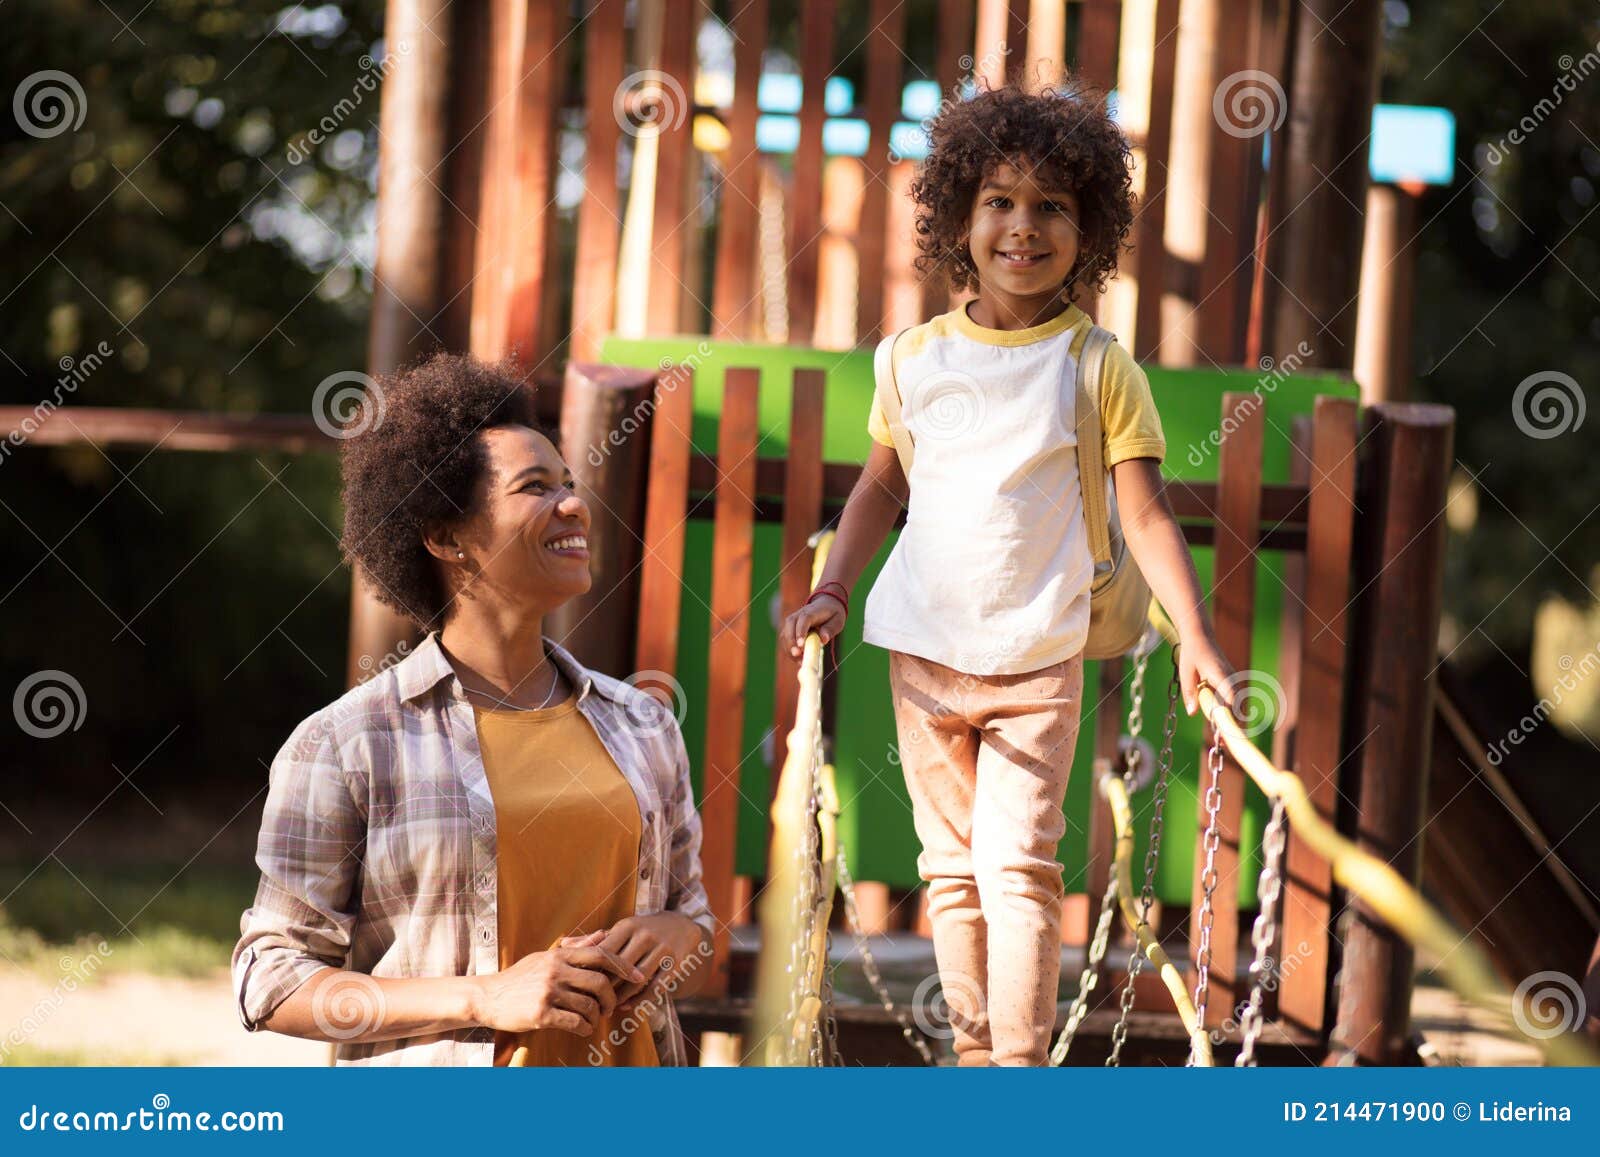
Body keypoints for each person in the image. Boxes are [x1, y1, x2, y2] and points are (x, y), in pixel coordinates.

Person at [780, 82, 1238, 1066]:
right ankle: (977, 1055)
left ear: (1091, 230)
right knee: (947, 870)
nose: (1021, 228)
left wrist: (1195, 635)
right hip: (922, 655)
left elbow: (1145, 511)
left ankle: (1021, 1071)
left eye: (1050, 207)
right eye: (998, 201)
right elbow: (877, 490)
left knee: (1019, 867)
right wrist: (833, 586)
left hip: (1036, 656)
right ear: (957, 217)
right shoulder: (911, 360)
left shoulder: (1096, 365)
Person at [233, 353, 714, 1066]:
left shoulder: (643, 724)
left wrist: (680, 936)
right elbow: (268, 982)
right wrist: (483, 995)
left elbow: (698, 928)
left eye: (570, 484)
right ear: (446, 536)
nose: (574, 505)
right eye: (535, 489)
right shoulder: (346, 743)